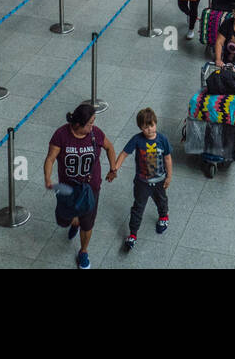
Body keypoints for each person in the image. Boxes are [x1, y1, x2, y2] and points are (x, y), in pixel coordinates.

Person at [44, 103, 118, 269]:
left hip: (90, 188)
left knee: (88, 223)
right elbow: (50, 158)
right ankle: (73, 222)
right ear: (78, 124)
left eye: (94, 121)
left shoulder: (96, 134)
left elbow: (109, 147)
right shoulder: (61, 135)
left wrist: (113, 168)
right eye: (90, 123)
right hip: (68, 189)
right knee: (63, 220)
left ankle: (83, 251)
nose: (93, 126)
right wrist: (48, 178)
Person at [114, 107, 173, 252]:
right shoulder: (137, 139)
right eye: (145, 127)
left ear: (156, 123)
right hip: (142, 183)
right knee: (138, 207)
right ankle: (133, 234)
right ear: (140, 128)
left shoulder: (162, 139)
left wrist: (169, 176)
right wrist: (114, 168)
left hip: (159, 180)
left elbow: (167, 158)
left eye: (152, 125)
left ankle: (163, 217)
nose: (149, 130)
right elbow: (124, 153)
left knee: (161, 200)